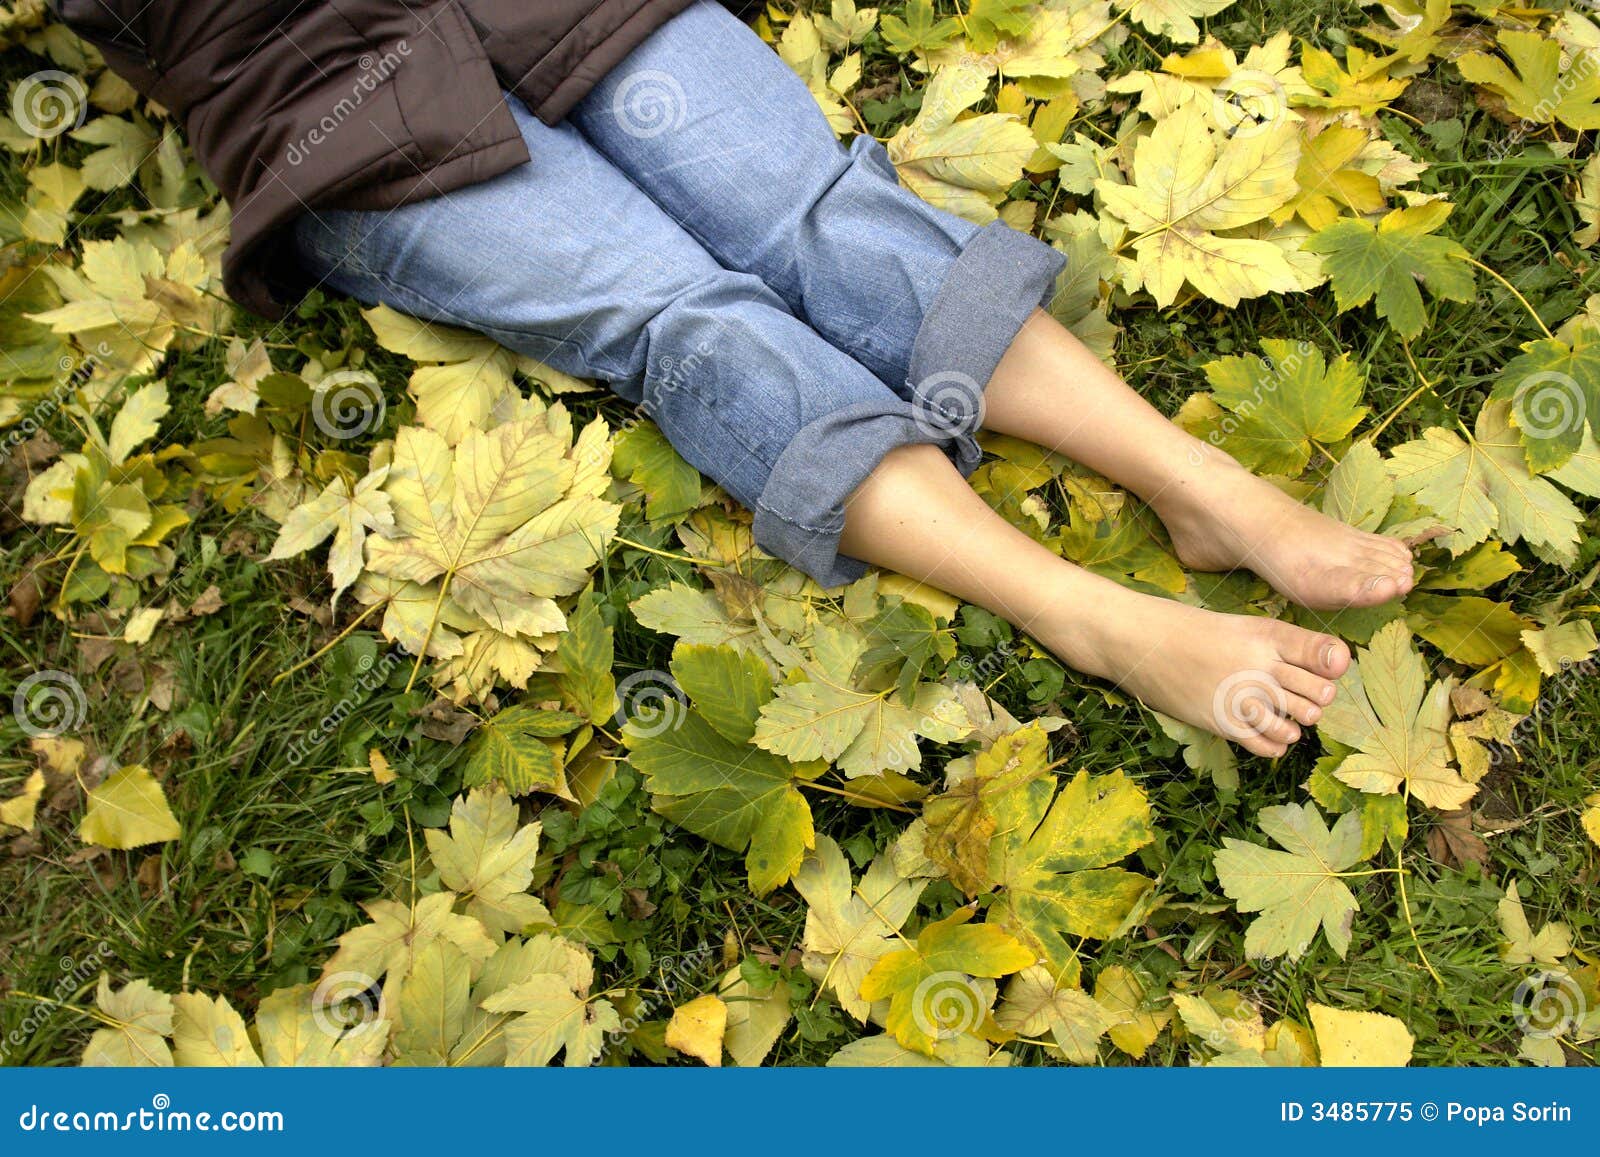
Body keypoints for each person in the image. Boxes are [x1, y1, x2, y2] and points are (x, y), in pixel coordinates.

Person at [55, 0, 1415, 757]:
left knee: (820, 215)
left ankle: (1204, 488)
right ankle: (1090, 617)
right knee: (684, 317)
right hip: (312, 87)